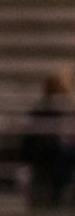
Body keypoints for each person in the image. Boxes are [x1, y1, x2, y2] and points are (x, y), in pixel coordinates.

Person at [21, 71, 75, 208]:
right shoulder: (39, 111)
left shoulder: (70, 111)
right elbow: (28, 144)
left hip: (61, 165)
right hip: (46, 164)